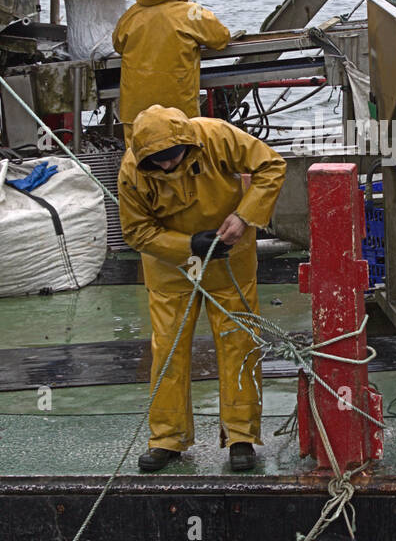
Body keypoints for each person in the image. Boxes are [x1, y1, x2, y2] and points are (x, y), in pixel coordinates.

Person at [118, 103, 287, 473]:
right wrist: (187, 245)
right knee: (169, 349)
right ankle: (167, 438)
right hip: (171, 268)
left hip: (229, 257)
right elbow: (135, 231)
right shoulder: (131, 170)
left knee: (239, 342)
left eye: (173, 157)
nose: (166, 166)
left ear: (189, 146)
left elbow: (271, 165)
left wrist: (244, 217)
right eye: (157, 161)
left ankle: (241, 435)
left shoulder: (217, 135)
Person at [112, 0, 237, 138]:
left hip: (136, 111)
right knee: (181, 159)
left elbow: (118, 44)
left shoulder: (132, 14)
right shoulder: (190, 12)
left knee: (137, 160)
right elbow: (221, 38)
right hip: (179, 109)